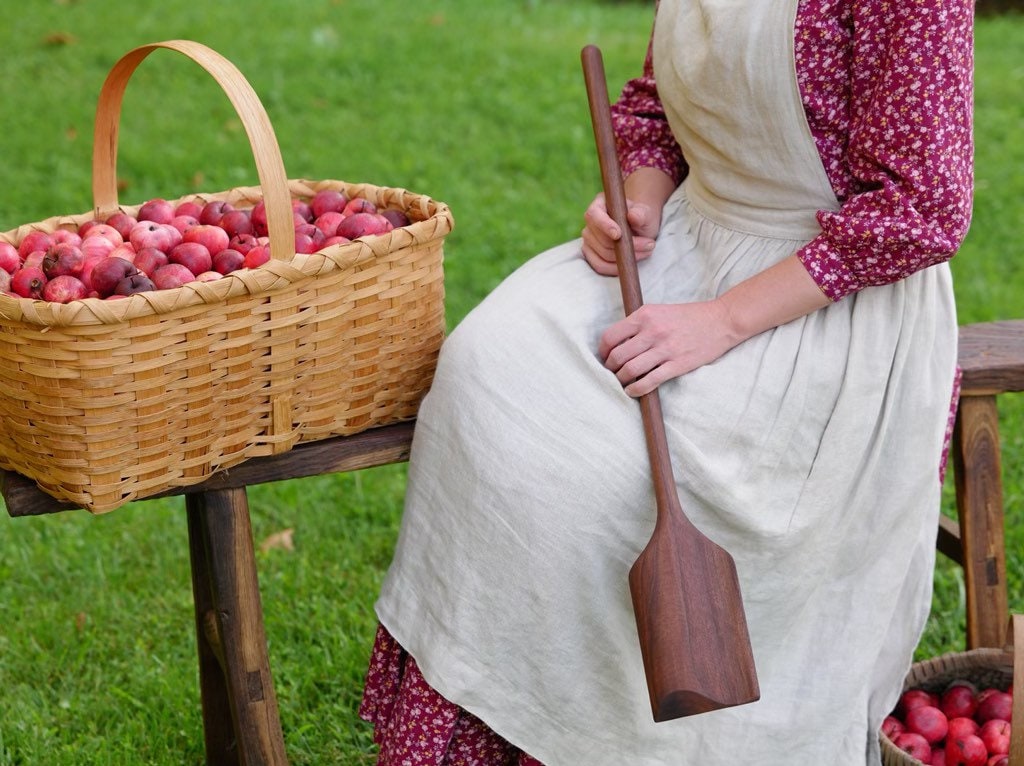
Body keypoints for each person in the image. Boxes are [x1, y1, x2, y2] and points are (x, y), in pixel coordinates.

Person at [358, 0, 974, 762]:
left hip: (822, 303)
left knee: (597, 481)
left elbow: (923, 210)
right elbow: (657, 105)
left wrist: (718, 321)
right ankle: (501, 714)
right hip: (689, 248)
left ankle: (627, 737)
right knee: (488, 373)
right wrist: (638, 202)